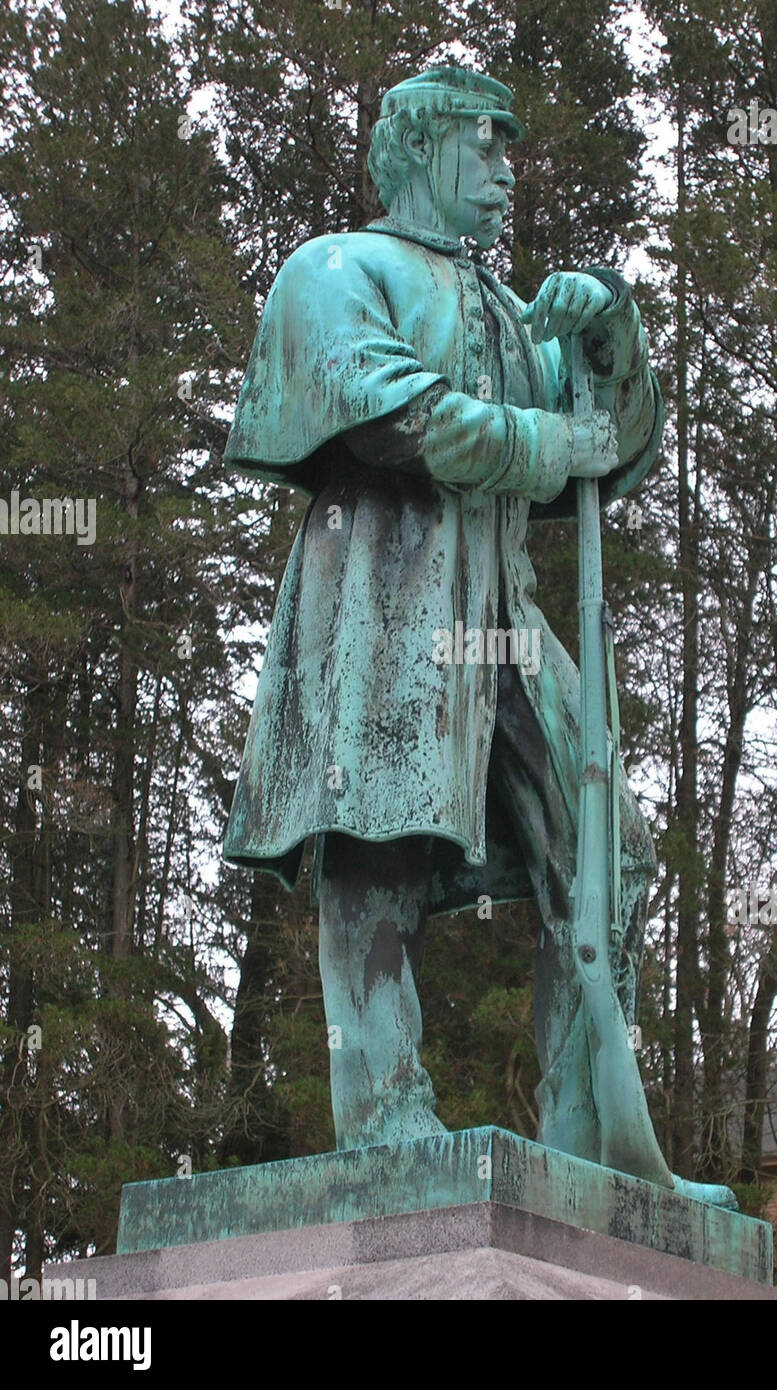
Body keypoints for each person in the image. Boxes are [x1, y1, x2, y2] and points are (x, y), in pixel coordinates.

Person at [222, 65, 734, 1206]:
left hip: (501, 612)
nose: (508, 171)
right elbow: (396, 413)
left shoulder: (507, 310)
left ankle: (584, 1145)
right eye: (483, 145)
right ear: (415, 149)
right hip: (382, 607)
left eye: (512, 149)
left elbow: (610, 436)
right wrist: (555, 442)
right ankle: (388, 1125)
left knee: (605, 858)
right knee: (376, 843)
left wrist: (610, 335)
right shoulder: (336, 269)